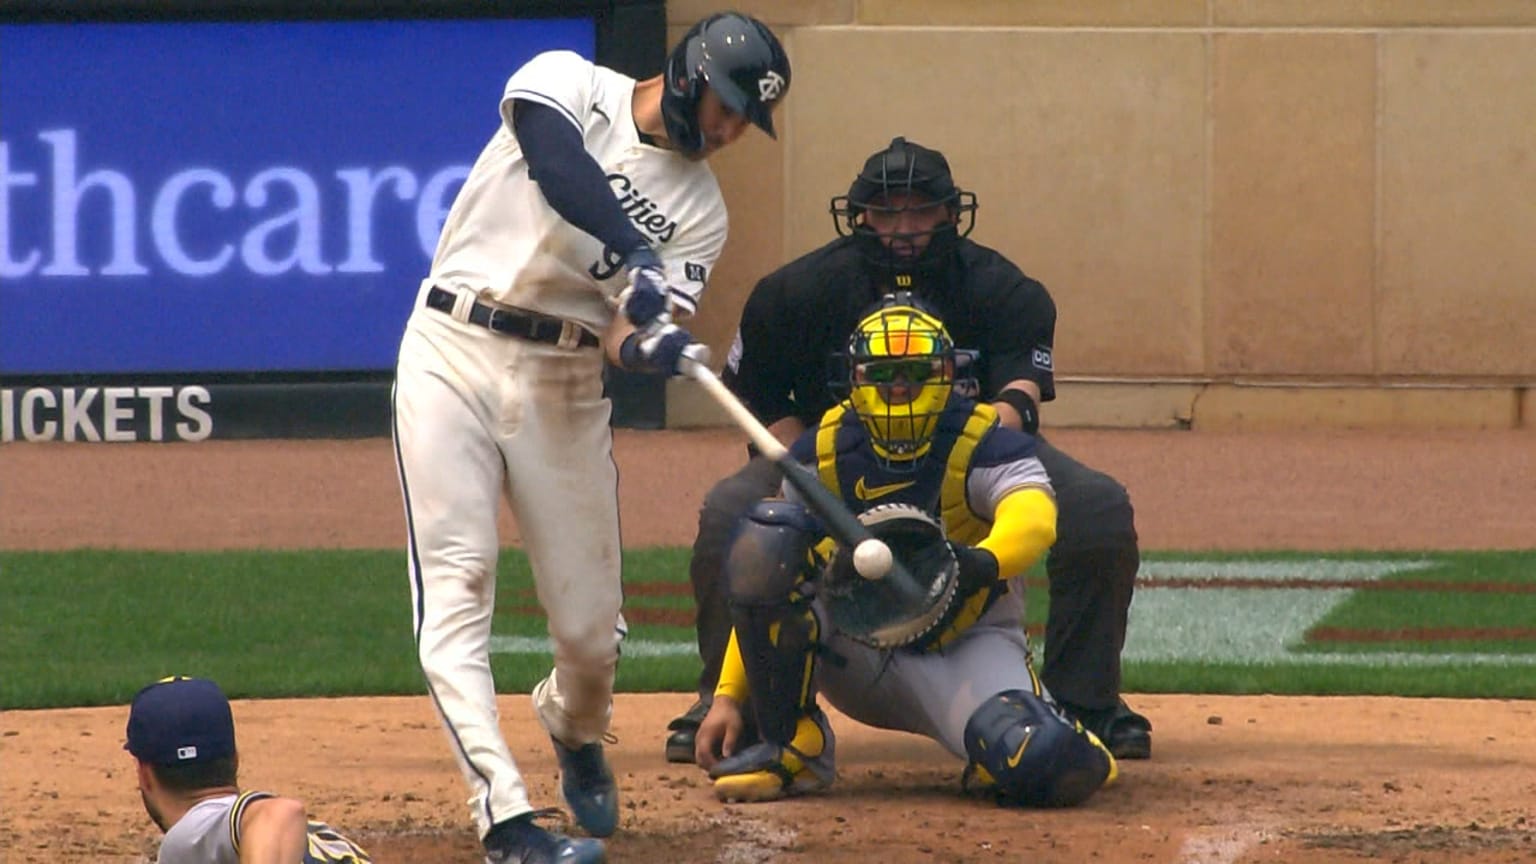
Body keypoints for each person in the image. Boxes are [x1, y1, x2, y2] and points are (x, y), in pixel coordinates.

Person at [390, 12, 789, 864]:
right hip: (451, 347)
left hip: (564, 383)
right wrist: (632, 247)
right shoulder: (572, 82)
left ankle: (574, 727)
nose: (726, 131)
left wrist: (653, 341)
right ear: (687, 75)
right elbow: (555, 162)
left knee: (588, 633)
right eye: (724, 106)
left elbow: (626, 336)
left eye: (742, 122)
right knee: (456, 589)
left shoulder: (703, 212)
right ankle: (504, 818)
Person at [665, 136, 1151, 766]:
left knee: (1098, 510)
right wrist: (815, 476)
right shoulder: (794, 291)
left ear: (952, 214)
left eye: (922, 212)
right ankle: (730, 703)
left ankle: (1085, 704)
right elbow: (757, 403)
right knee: (734, 515)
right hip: (832, 451)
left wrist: (953, 455)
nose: (905, 228)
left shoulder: (1002, 287)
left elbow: (1020, 403)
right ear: (859, 216)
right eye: (888, 213)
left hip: (965, 445)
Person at [693, 296, 1117, 807]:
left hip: (964, 646)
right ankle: (792, 745)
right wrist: (727, 695)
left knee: (1044, 763)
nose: (898, 387)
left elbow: (1032, 516)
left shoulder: (981, 441)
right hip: (852, 644)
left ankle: (1048, 731)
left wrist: (981, 562)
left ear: (945, 375)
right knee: (769, 535)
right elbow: (768, 574)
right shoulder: (824, 451)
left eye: (915, 371)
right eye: (882, 373)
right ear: (855, 379)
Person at [125, 676, 371, 863]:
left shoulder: (190, 839)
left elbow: (281, 813)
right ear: (235, 760)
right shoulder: (321, 839)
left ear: (144, 775)